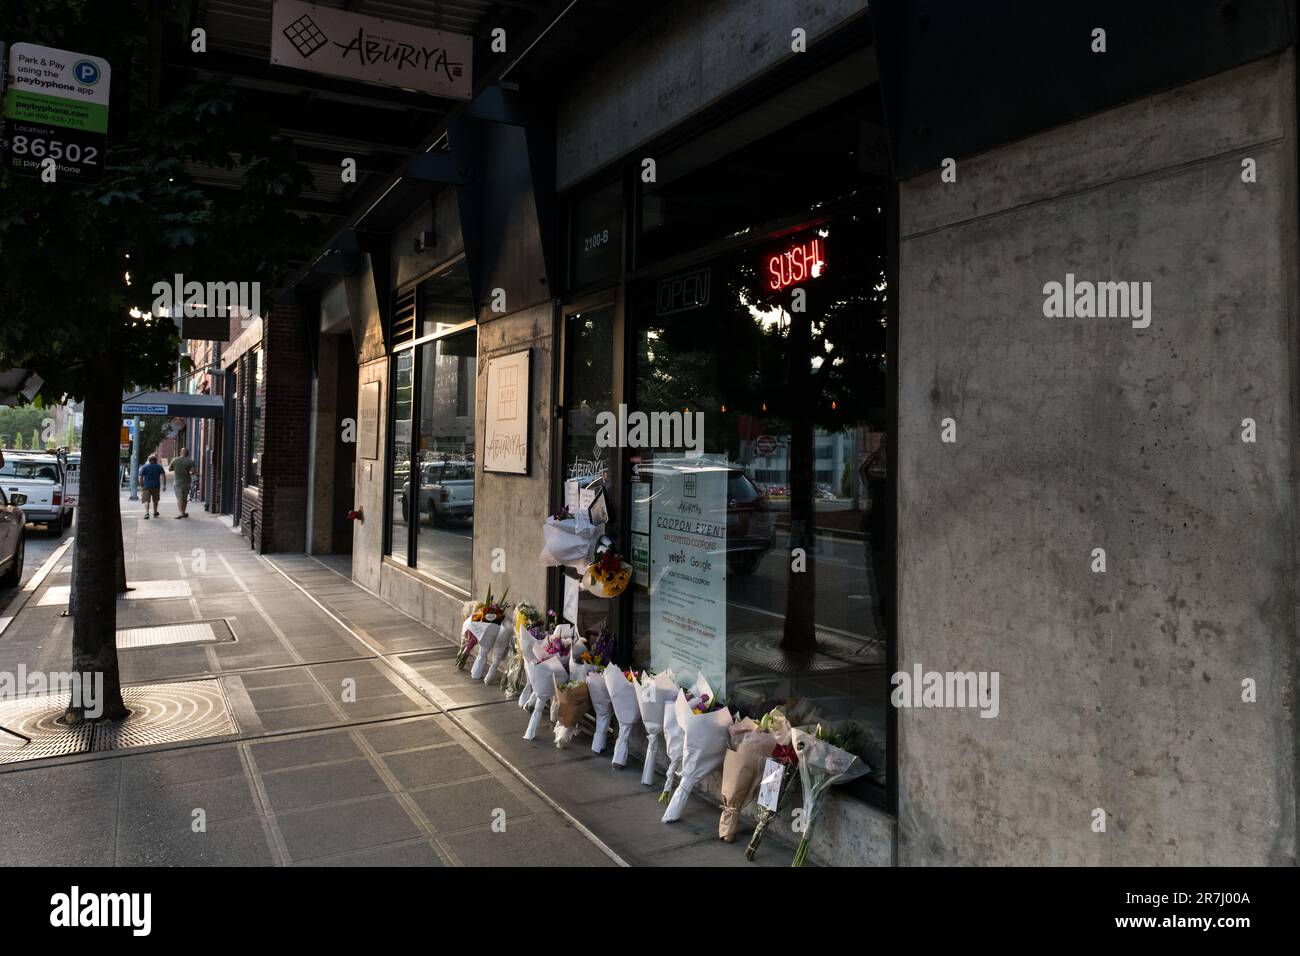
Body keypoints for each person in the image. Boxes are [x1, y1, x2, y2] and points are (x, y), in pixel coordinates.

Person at [169, 448, 195, 519]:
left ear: (180, 452)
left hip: (177, 482)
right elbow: (193, 472)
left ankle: (181, 513)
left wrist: (177, 469)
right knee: (184, 498)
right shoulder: (190, 461)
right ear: (187, 454)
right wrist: (187, 472)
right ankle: (183, 512)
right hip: (187, 482)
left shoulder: (175, 460)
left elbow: (170, 469)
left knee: (179, 498)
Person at [138, 455, 165, 519]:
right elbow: (163, 476)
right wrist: (164, 485)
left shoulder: (144, 467)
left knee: (146, 500)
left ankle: (147, 513)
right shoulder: (159, 467)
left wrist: (141, 484)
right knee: (155, 500)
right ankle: (155, 512)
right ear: (155, 460)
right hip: (156, 486)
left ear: (149, 461)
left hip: (146, 486)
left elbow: (140, 477)